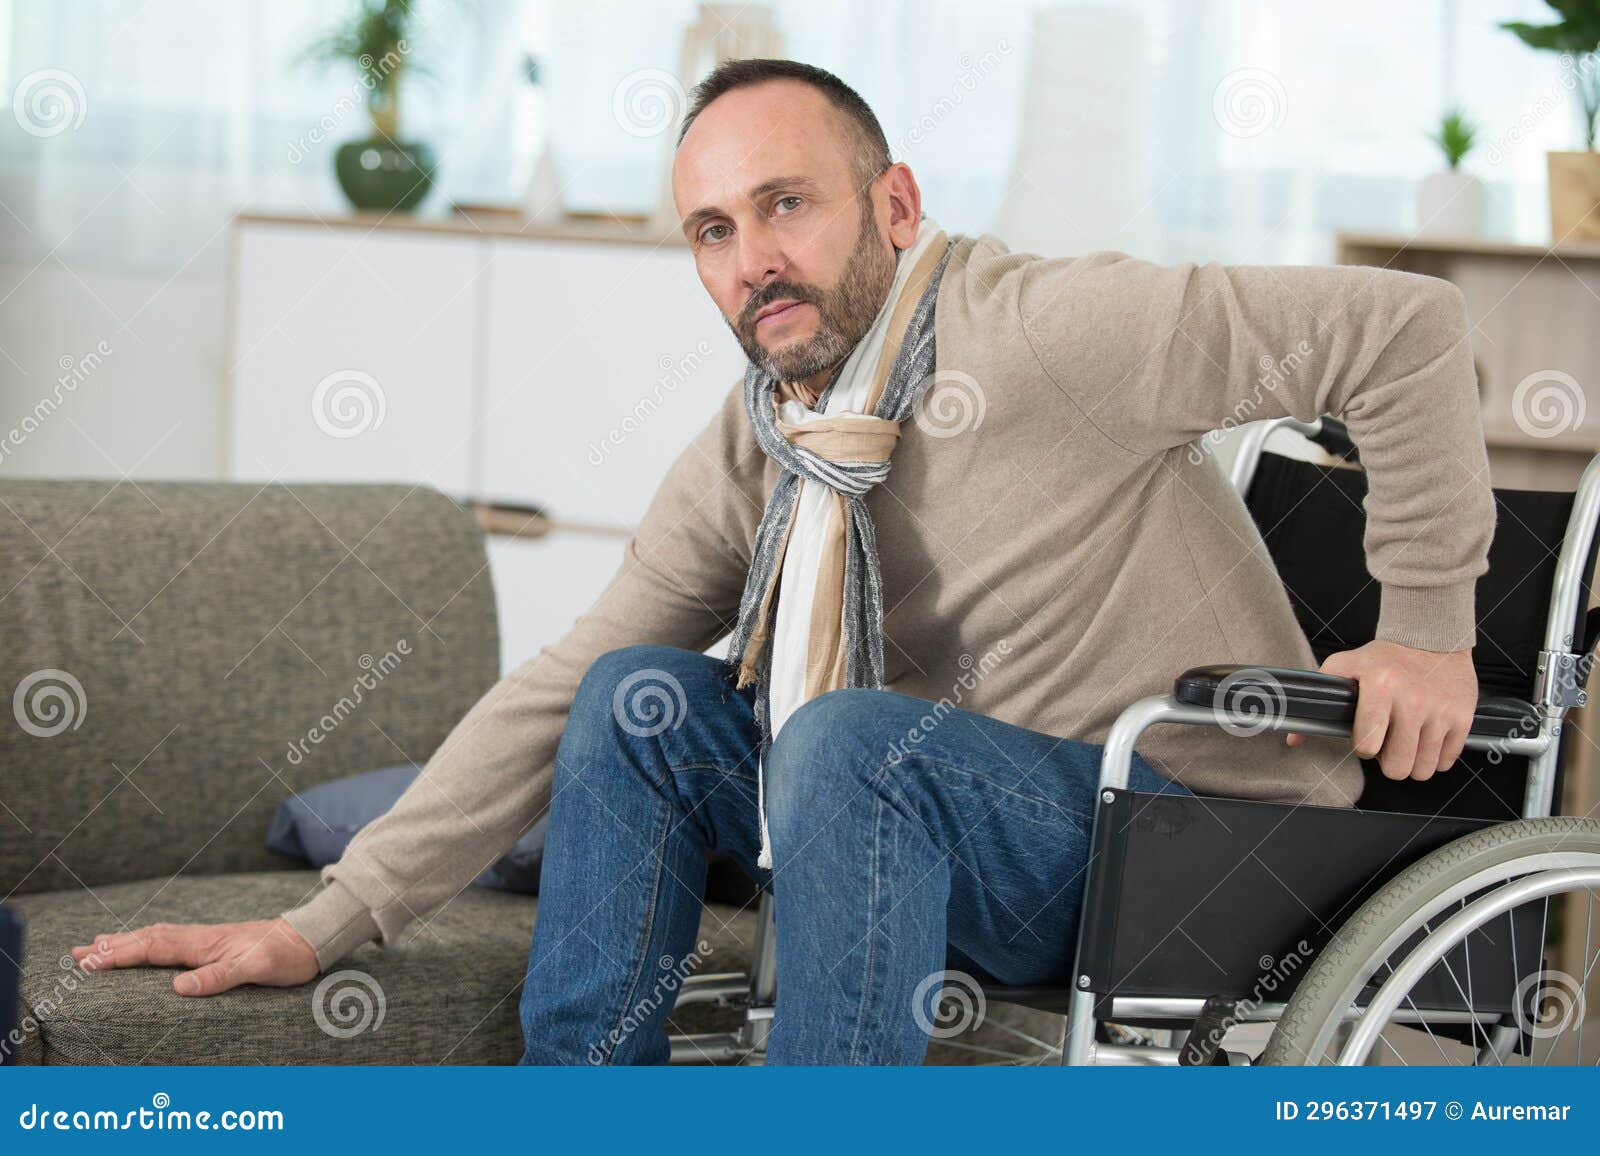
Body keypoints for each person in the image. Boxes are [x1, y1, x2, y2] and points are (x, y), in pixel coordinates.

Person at [70, 58, 1491, 1064]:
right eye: (713, 230)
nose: (754, 259)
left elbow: (1404, 330)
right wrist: (328, 925)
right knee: (636, 693)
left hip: (1197, 836)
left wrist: (1429, 621)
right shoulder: (770, 437)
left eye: (787, 205)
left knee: (858, 744)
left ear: (894, 204)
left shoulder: (1050, 329)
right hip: (978, 824)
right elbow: (565, 675)